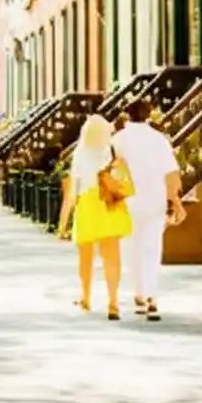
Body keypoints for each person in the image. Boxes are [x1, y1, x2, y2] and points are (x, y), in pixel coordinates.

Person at [113, 98, 185, 322]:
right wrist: (177, 202)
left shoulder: (118, 141)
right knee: (152, 248)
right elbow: (172, 175)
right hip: (155, 200)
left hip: (127, 201)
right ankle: (152, 296)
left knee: (131, 248)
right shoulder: (159, 140)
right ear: (149, 114)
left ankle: (139, 295)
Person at [57, 115, 132, 320]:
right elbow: (122, 176)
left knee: (86, 257)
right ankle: (113, 302)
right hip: (109, 203)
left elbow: (72, 191)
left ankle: (86, 297)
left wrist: (63, 222)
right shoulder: (112, 151)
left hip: (87, 204)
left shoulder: (80, 153)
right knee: (112, 257)